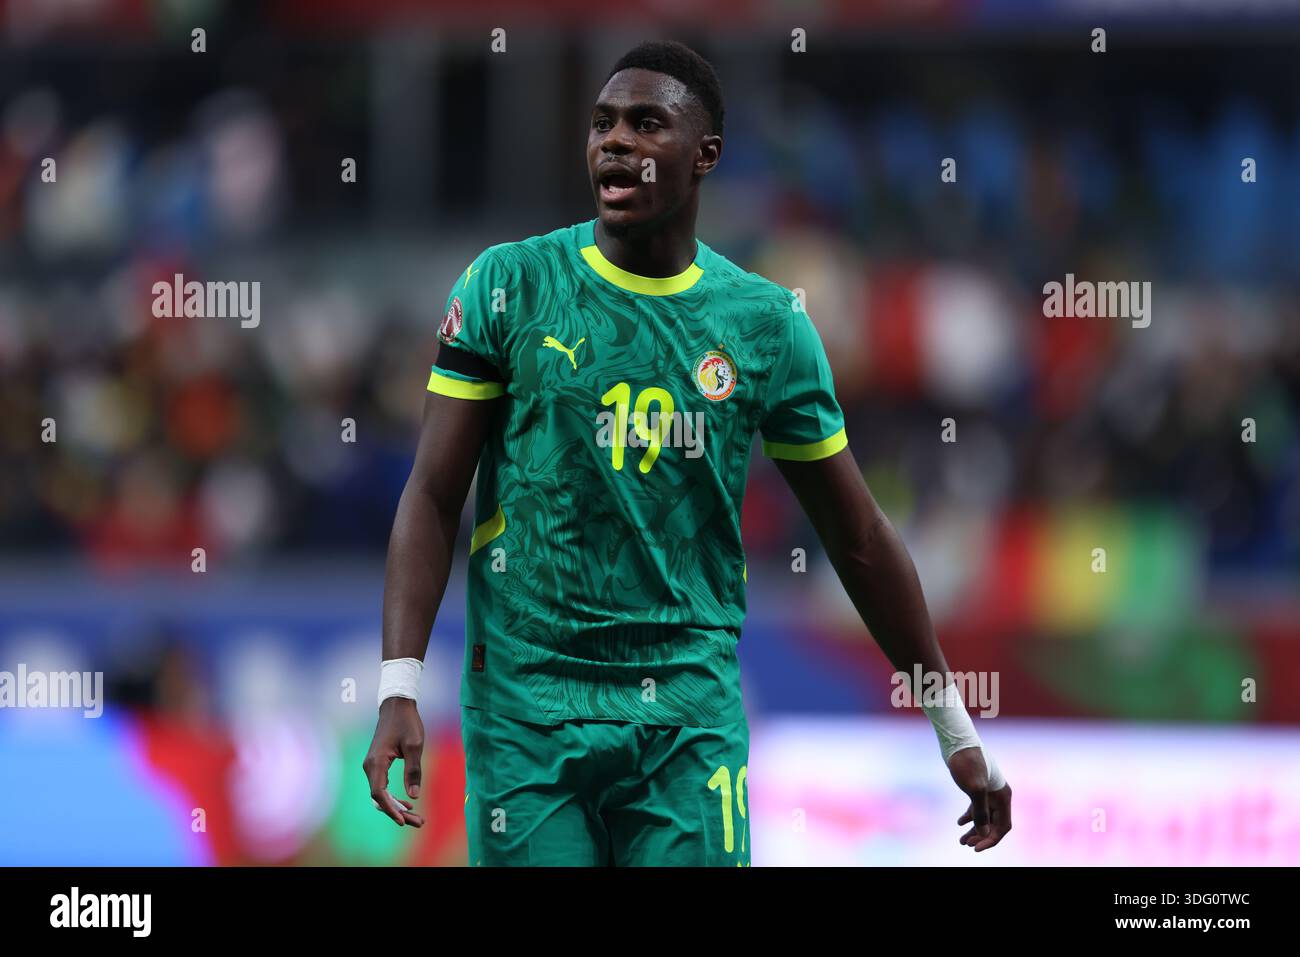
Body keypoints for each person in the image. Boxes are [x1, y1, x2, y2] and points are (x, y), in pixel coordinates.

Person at [362, 39, 1011, 866]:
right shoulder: (508, 286)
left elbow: (859, 536)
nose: (615, 142)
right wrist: (398, 687)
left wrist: (951, 721)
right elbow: (429, 494)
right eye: (602, 124)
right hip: (527, 712)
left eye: (645, 123)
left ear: (705, 156)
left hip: (686, 722)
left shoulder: (765, 326)